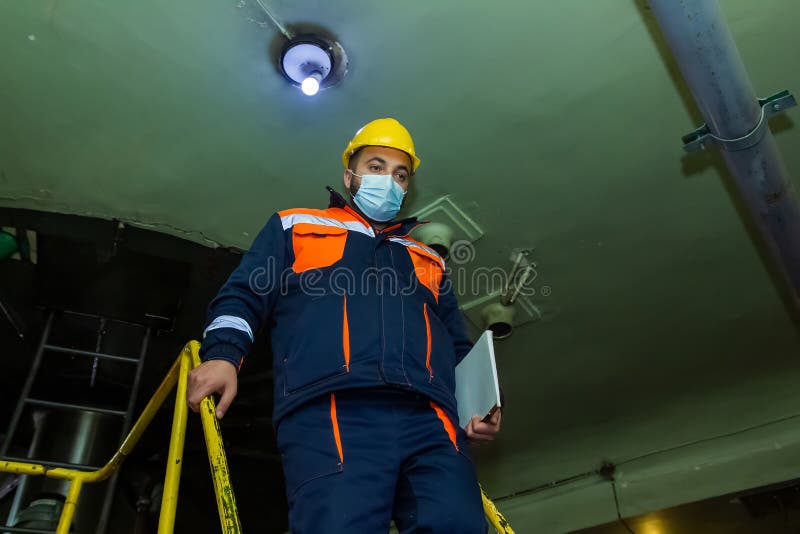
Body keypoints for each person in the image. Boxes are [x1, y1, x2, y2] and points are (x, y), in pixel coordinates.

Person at [186, 118, 501, 533]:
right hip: (333, 405)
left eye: (400, 174)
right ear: (349, 175)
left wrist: (478, 405)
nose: (389, 180)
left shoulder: (428, 260)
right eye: (376, 166)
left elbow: (457, 345)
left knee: (456, 524)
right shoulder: (296, 226)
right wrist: (223, 356)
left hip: (430, 417)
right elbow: (244, 294)